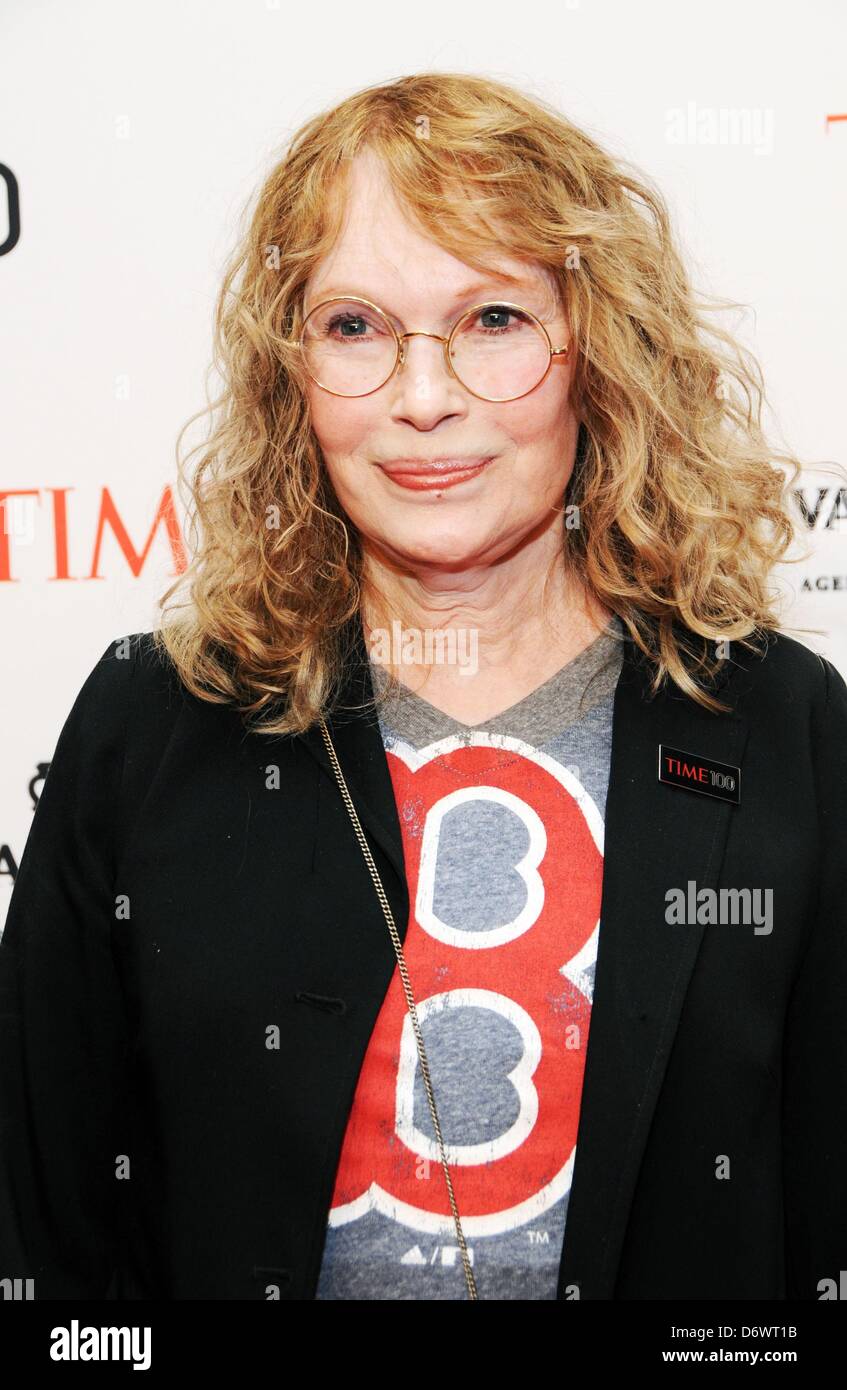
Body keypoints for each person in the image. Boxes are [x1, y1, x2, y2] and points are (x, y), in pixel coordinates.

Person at [1, 72, 845, 1302]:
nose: (423, 394)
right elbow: (49, 1221)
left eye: (493, 317)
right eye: (354, 327)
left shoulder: (782, 729)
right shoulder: (153, 724)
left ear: (594, 354)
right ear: (292, 370)